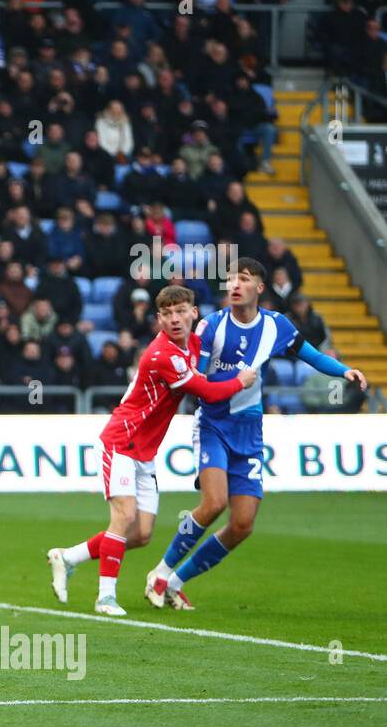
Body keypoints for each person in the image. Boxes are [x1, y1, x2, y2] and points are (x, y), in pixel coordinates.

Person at [145, 260, 368, 607]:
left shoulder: (276, 326)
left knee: (243, 525)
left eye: (244, 279)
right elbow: (197, 383)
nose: (234, 283)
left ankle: (175, 581)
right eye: (231, 277)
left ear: (259, 289)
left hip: (249, 430)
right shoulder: (211, 326)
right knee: (214, 503)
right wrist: (232, 382)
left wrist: (344, 371)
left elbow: (310, 355)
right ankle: (160, 571)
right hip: (213, 424)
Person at [46, 286, 257, 616]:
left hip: (144, 450)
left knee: (142, 534)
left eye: (180, 311)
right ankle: (105, 597)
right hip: (121, 441)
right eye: (167, 314)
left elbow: (215, 332)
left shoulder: (193, 345)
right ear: (158, 319)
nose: (174, 319)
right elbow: (205, 391)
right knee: (124, 517)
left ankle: (68, 557)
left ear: (192, 313)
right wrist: (240, 381)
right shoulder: (162, 355)